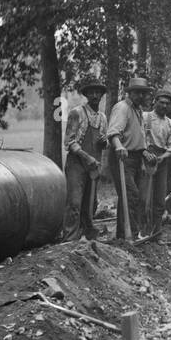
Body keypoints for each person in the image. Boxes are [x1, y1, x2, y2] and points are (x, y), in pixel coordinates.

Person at [61, 76, 108, 241]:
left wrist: (105, 142)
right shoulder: (76, 113)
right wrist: (86, 157)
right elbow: (69, 142)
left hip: (93, 165)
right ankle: (69, 239)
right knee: (74, 203)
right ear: (86, 95)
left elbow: (103, 141)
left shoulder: (102, 117)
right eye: (91, 92)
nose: (95, 95)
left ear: (102, 95)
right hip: (77, 164)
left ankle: (87, 236)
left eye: (98, 92)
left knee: (91, 204)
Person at [107, 76, 152, 239]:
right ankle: (130, 235)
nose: (141, 96)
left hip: (136, 157)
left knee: (132, 196)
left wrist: (144, 152)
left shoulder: (138, 110)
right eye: (138, 93)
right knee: (131, 195)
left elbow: (138, 135)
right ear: (130, 93)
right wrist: (119, 145)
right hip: (122, 157)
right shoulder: (122, 108)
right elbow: (113, 132)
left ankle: (123, 235)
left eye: (143, 93)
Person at [143, 89, 171, 232]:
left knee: (159, 198)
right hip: (144, 160)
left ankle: (156, 231)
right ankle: (142, 230)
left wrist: (162, 158)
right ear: (155, 102)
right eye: (161, 102)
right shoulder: (145, 117)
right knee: (144, 198)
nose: (164, 106)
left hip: (162, 161)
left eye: (167, 104)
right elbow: (139, 138)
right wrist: (145, 152)